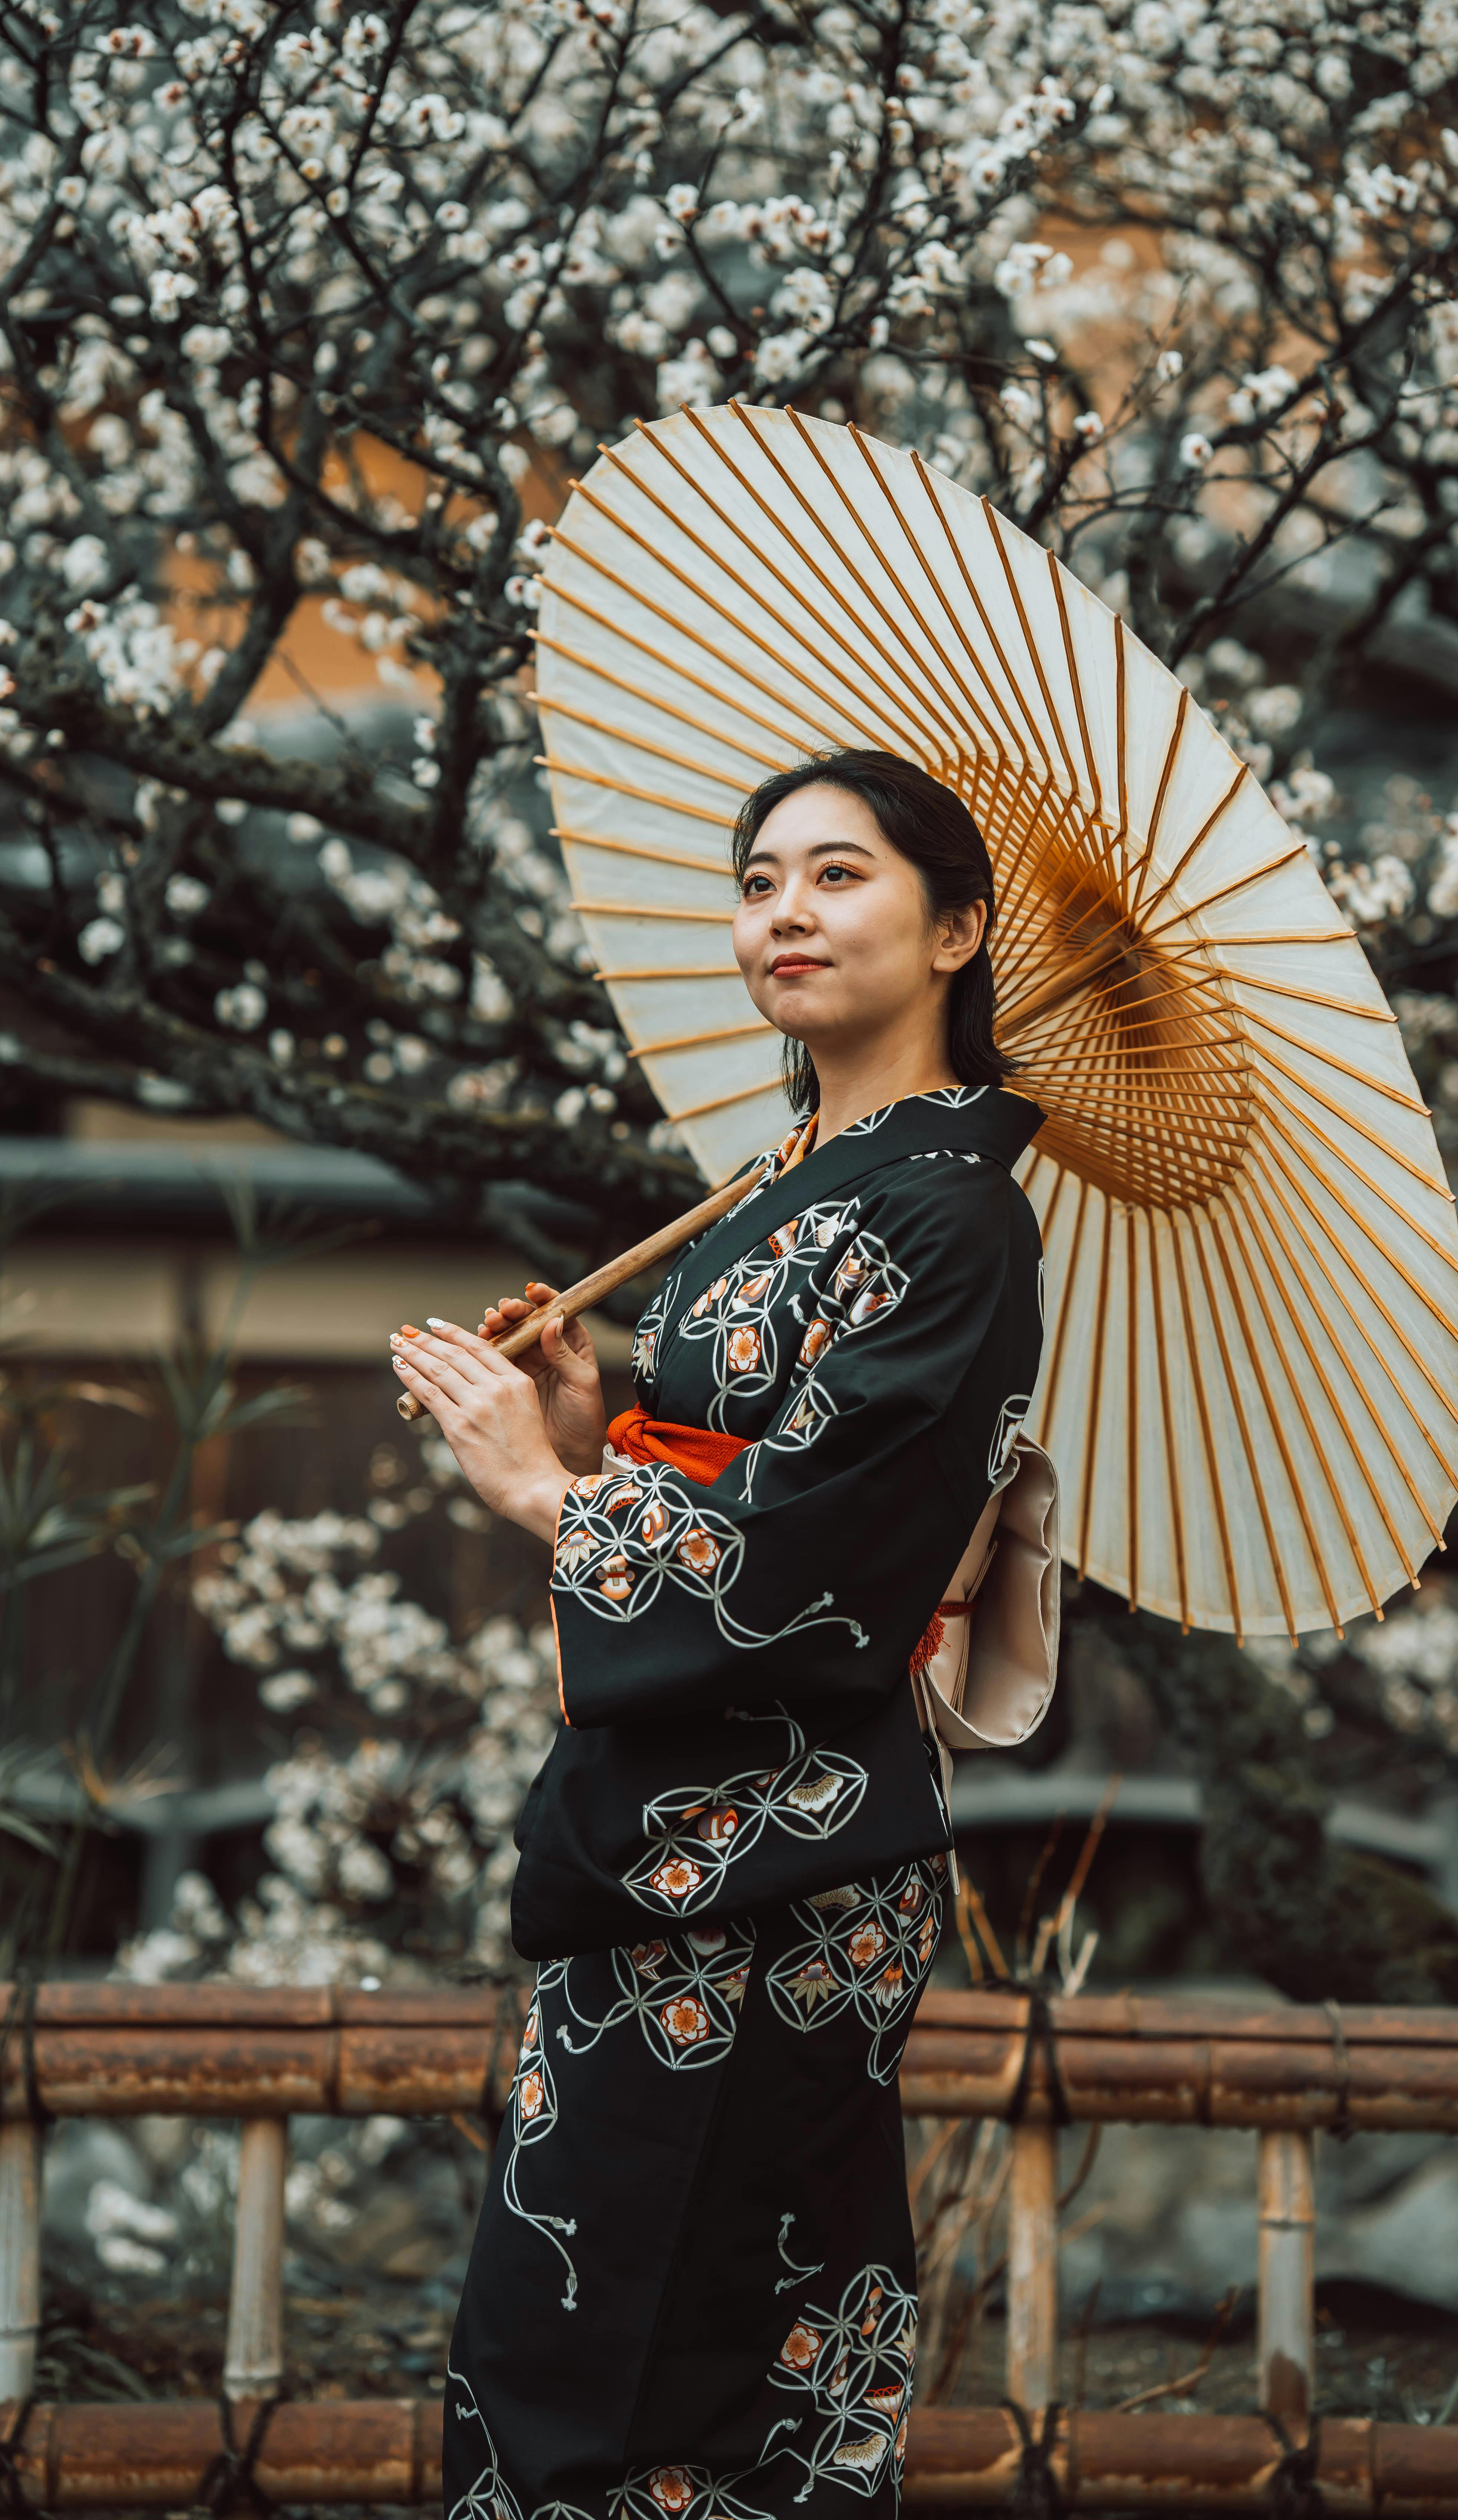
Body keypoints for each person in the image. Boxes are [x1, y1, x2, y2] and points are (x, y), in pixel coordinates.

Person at [391, 748, 1047, 2520]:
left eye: (839, 877)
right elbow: (740, 1481)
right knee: (571, 2313)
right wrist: (602, 1427)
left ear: (959, 925)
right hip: (672, 1827)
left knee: (689, 2355)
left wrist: (544, 1495)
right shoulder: (791, 1185)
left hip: (780, 1858)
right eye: (760, 880)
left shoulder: (954, 1214)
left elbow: (831, 1548)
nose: (783, 913)